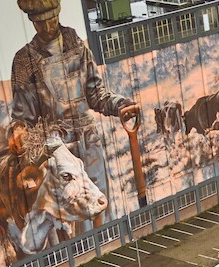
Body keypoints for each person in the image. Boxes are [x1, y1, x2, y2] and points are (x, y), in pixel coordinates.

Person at [8, 0, 139, 225]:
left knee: (100, 207)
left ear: (58, 13)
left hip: (90, 143)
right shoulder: (24, 61)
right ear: (32, 21)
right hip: (59, 152)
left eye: (51, 19)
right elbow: (24, 118)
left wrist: (119, 105)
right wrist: (19, 130)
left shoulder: (78, 47)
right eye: (41, 22)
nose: (48, 26)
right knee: (75, 217)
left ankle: (107, 248)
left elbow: (97, 95)